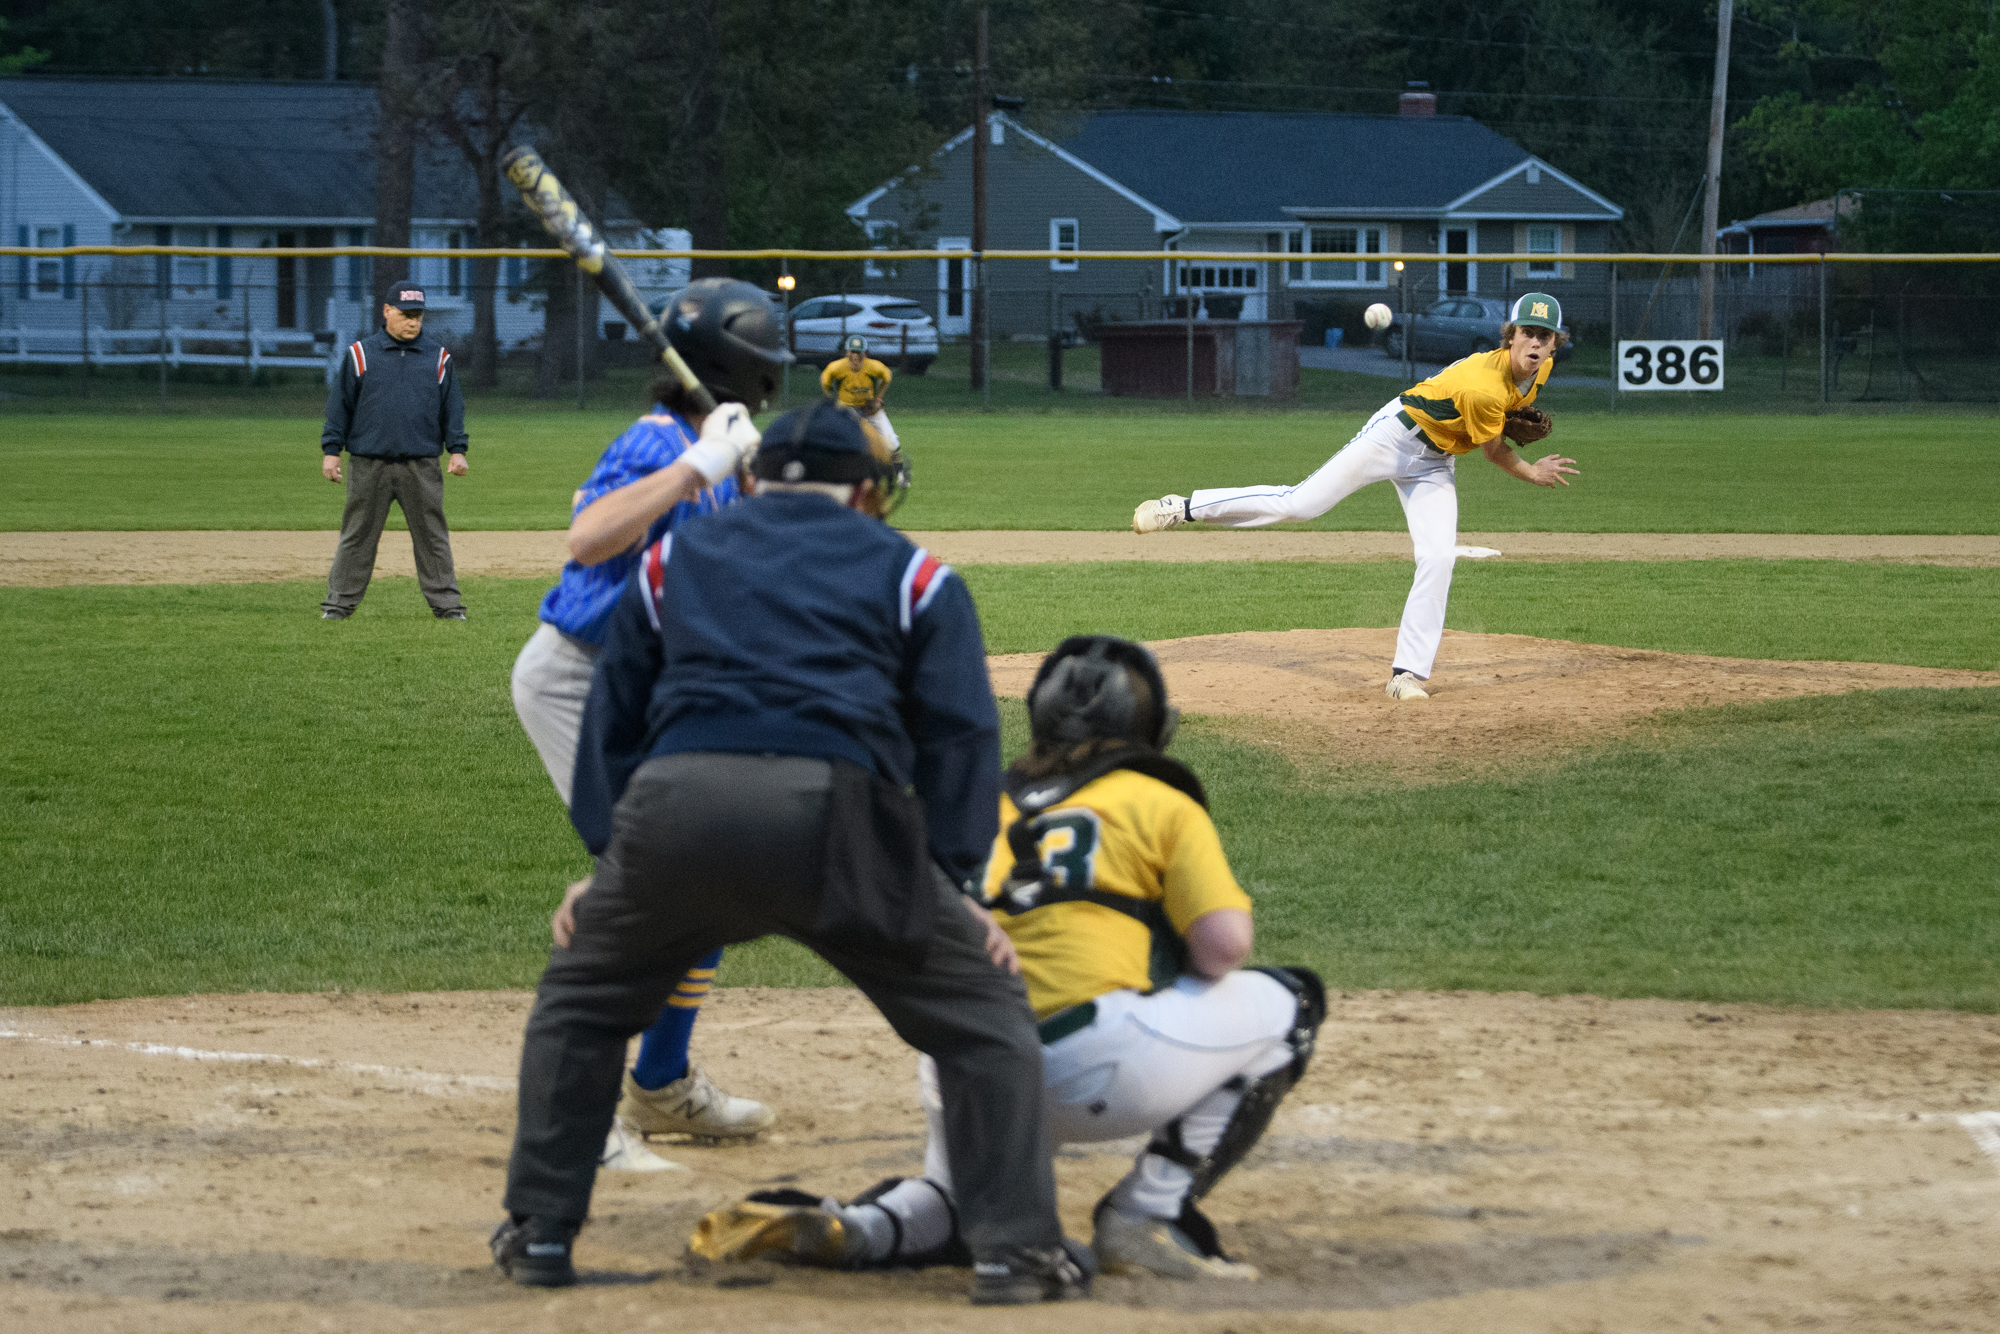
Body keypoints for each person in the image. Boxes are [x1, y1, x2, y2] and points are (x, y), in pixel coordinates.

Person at [491, 400, 1086, 1305]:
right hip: (841, 819)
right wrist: (954, 882)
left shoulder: (671, 556)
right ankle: (1016, 1255)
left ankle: (539, 1234)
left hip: (678, 812)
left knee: (581, 1001)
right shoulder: (915, 572)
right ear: (862, 489)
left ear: (753, 479)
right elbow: (961, 736)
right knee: (985, 1015)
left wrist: (614, 857)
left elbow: (612, 716)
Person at [694, 636, 1325, 1282]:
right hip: (1088, 1071)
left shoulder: (984, 802)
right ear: (1148, 728)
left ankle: (861, 1227)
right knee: (1293, 1001)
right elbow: (1225, 947)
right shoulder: (1157, 798)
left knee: (952, 1198)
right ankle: (1148, 1214)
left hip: (961, 1061)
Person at [510, 278, 791, 1158]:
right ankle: (579, 1114)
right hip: (581, 679)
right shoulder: (660, 443)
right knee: (643, 887)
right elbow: (588, 539)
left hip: (657, 693)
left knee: (705, 879)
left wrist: (744, 475)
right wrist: (691, 471)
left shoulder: (723, 450)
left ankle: (661, 1084)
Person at [1131, 292, 1581, 699]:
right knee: (1300, 503)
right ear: (1510, 336)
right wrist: (1532, 472)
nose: (1534, 344)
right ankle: (1183, 508)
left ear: (1555, 344)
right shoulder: (1482, 386)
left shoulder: (1541, 369)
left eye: (1544, 336)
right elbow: (1496, 452)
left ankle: (1407, 674)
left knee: (1438, 556)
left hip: (1435, 463)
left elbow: (1507, 415)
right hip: (1396, 436)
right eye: (1526, 332)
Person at [320, 278, 470, 621]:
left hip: (421, 464)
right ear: (387, 311)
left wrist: (457, 450)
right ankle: (338, 606)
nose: (413, 321)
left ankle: (448, 607)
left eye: (418, 315)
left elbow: (453, 409)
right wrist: (332, 450)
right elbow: (339, 406)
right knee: (357, 536)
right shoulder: (361, 354)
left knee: (433, 538)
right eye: (405, 314)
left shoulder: (438, 357)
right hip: (368, 463)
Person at [820, 334, 899, 451]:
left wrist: (879, 398)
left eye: (859, 353)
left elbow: (887, 376)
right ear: (847, 353)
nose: (855, 356)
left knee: (892, 442)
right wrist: (832, 401)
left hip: (870, 409)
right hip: (847, 410)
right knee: (835, 444)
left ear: (865, 354)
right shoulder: (836, 368)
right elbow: (824, 381)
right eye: (852, 352)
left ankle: (899, 470)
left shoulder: (874, 366)